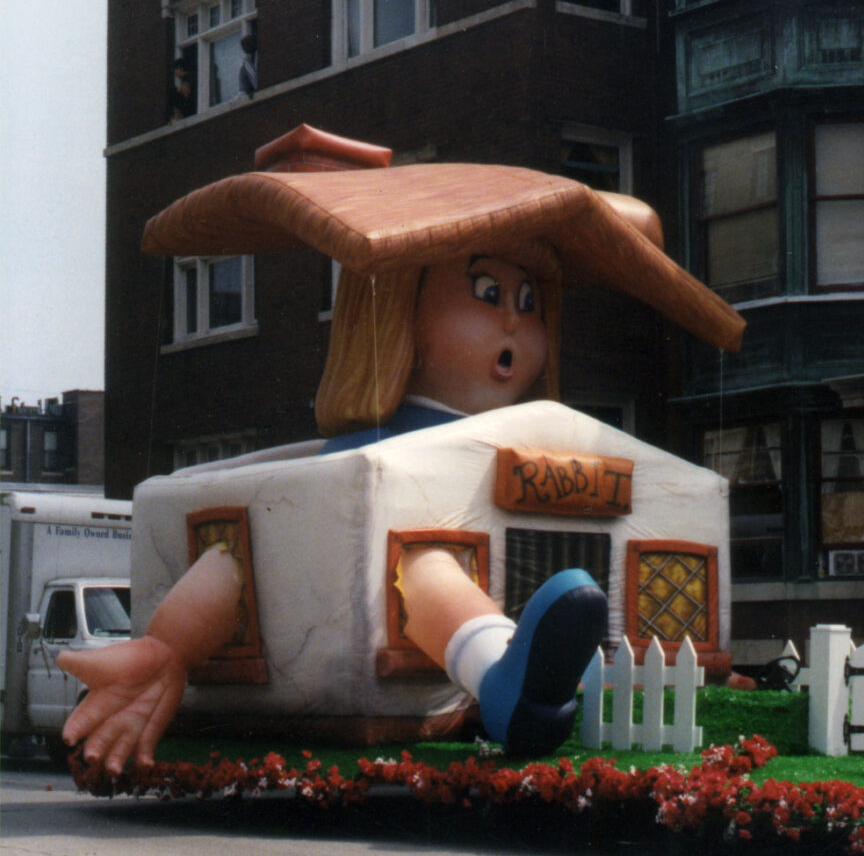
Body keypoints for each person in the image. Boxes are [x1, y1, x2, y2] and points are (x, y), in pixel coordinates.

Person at [60, 142, 744, 775]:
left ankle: (579, 673)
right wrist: (169, 648)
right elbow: (228, 566)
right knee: (420, 563)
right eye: (486, 293)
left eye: (530, 302)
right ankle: (505, 681)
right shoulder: (369, 458)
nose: (513, 319)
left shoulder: (549, 435)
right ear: (398, 317)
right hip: (356, 614)